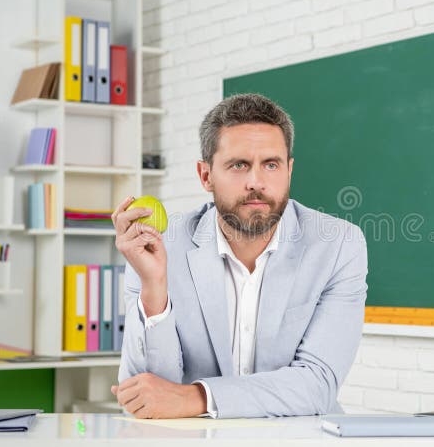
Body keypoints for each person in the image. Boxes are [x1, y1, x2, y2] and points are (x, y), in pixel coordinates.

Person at [110, 93, 368, 419]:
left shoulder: (338, 246)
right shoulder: (158, 246)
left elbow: (317, 384)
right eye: (238, 165)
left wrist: (197, 398)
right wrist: (154, 286)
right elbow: (145, 391)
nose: (256, 182)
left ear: (289, 171)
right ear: (206, 176)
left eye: (270, 165)